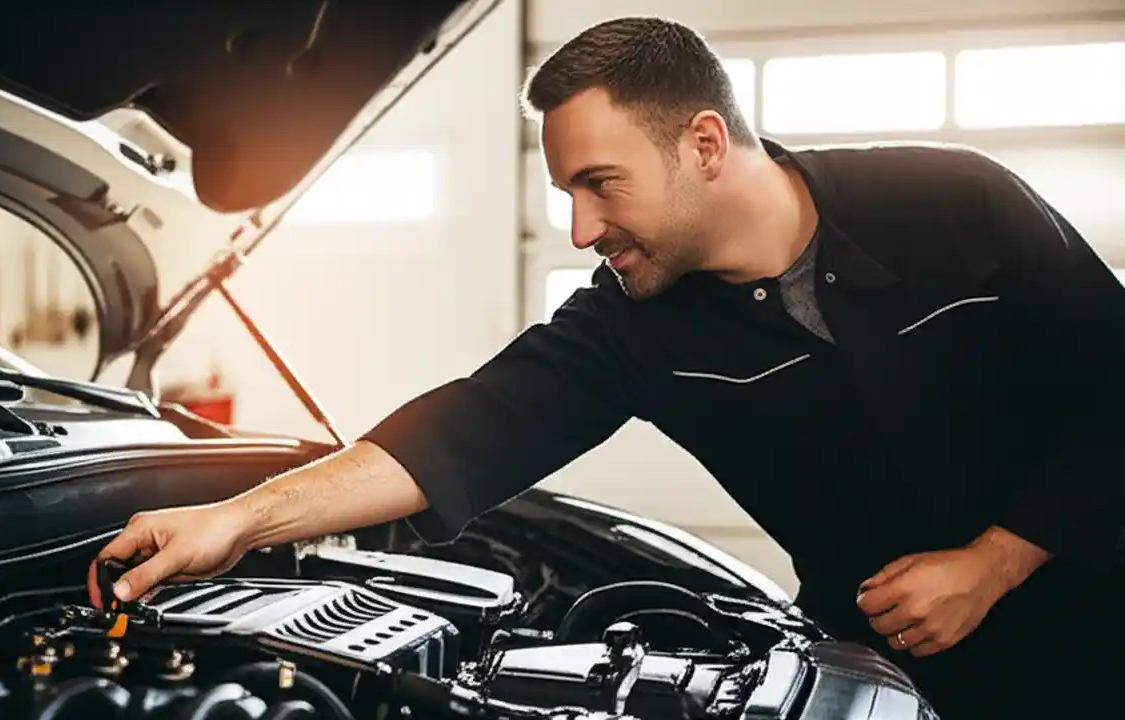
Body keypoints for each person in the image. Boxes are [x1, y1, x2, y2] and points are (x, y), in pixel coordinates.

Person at [88, 17, 1124, 718]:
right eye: (564, 193)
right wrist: (234, 518)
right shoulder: (633, 325)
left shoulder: (955, 205)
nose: (580, 227)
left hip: (1093, 628)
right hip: (878, 673)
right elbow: (461, 429)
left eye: (600, 184)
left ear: (705, 144)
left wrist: (995, 560)